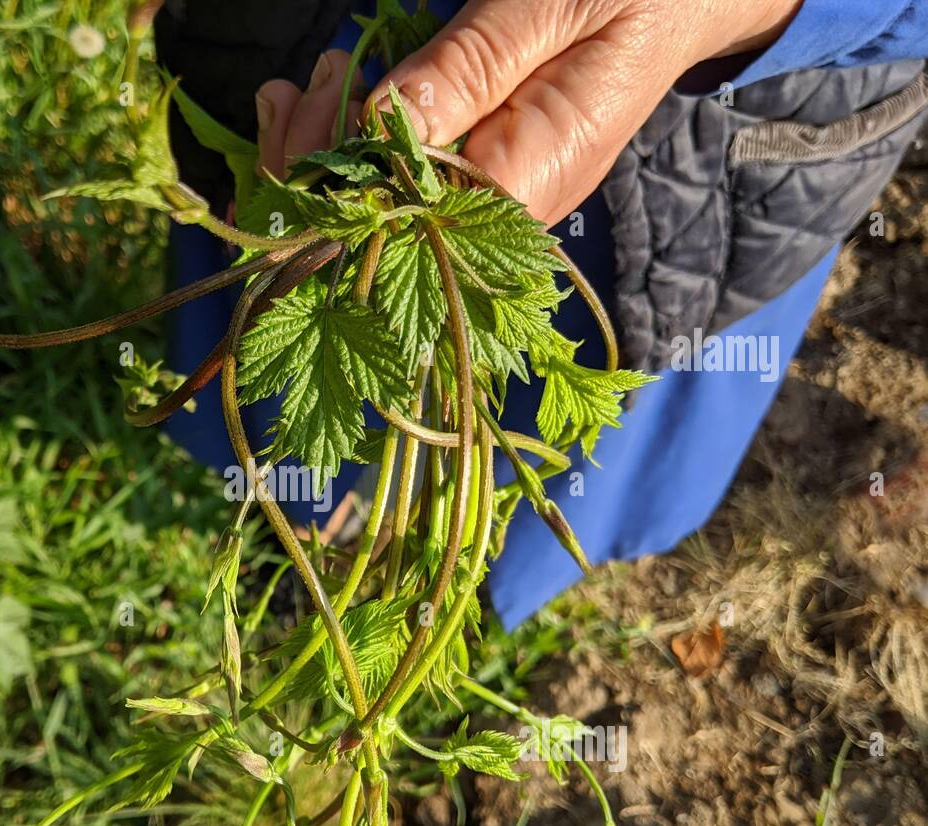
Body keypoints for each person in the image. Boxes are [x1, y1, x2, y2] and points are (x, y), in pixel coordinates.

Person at [154, 0, 928, 628]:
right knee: (307, 292)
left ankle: (461, 576)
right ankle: (303, 517)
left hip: (734, 107)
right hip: (330, 38)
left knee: (552, 392)